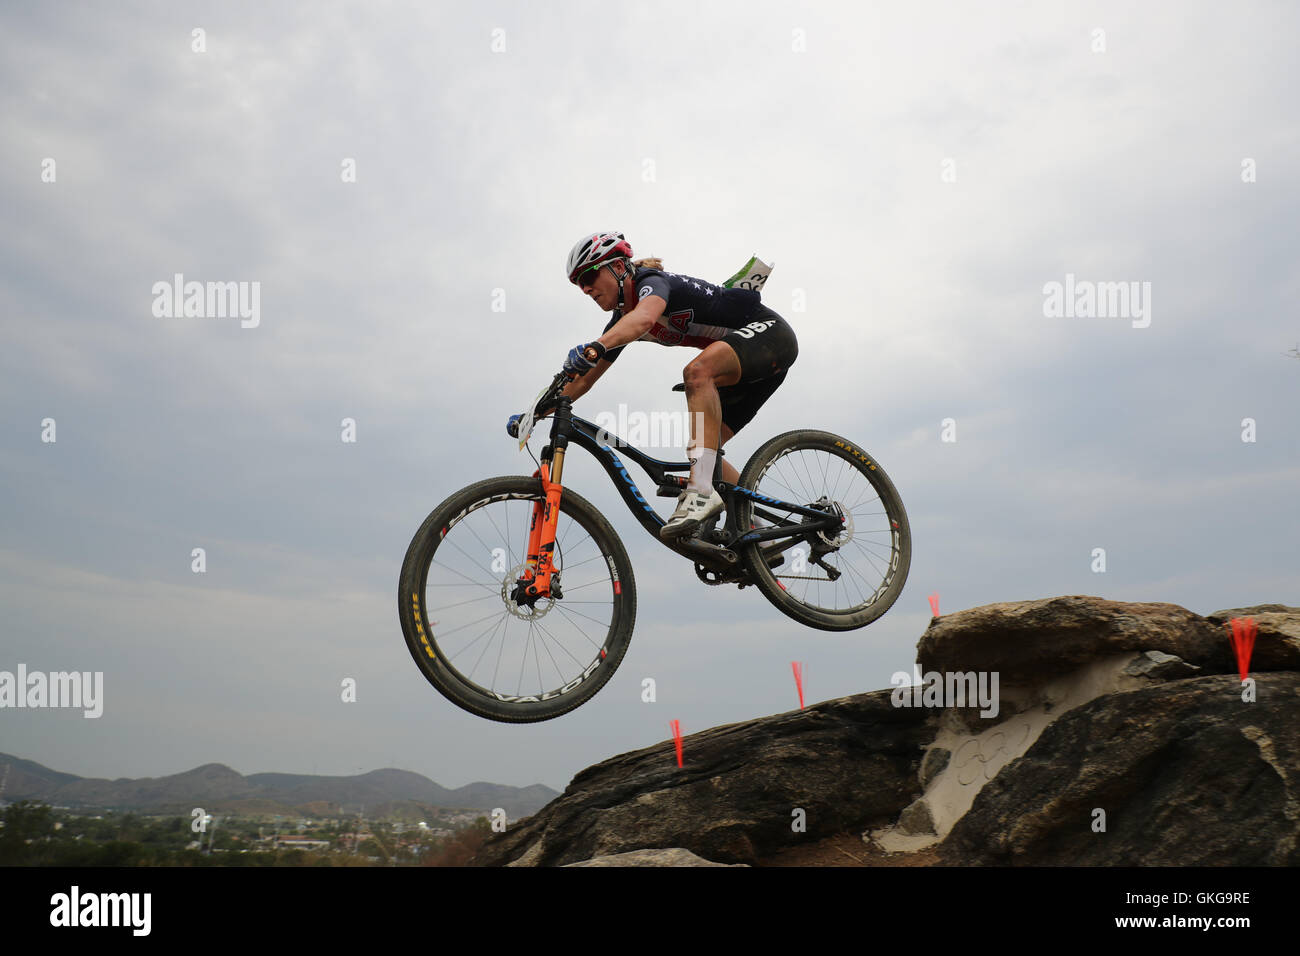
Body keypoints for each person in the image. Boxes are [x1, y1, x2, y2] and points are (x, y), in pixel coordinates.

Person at [549, 230, 798, 540]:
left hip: (771, 337)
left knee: (697, 372)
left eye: (588, 276)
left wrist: (595, 346)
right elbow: (584, 380)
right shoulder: (621, 321)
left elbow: (643, 320)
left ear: (616, 266)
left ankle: (701, 493)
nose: (585, 288)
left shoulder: (650, 283)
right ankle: (755, 527)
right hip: (745, 368)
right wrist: (539, 409)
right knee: (705, 448)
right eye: (578, 284)